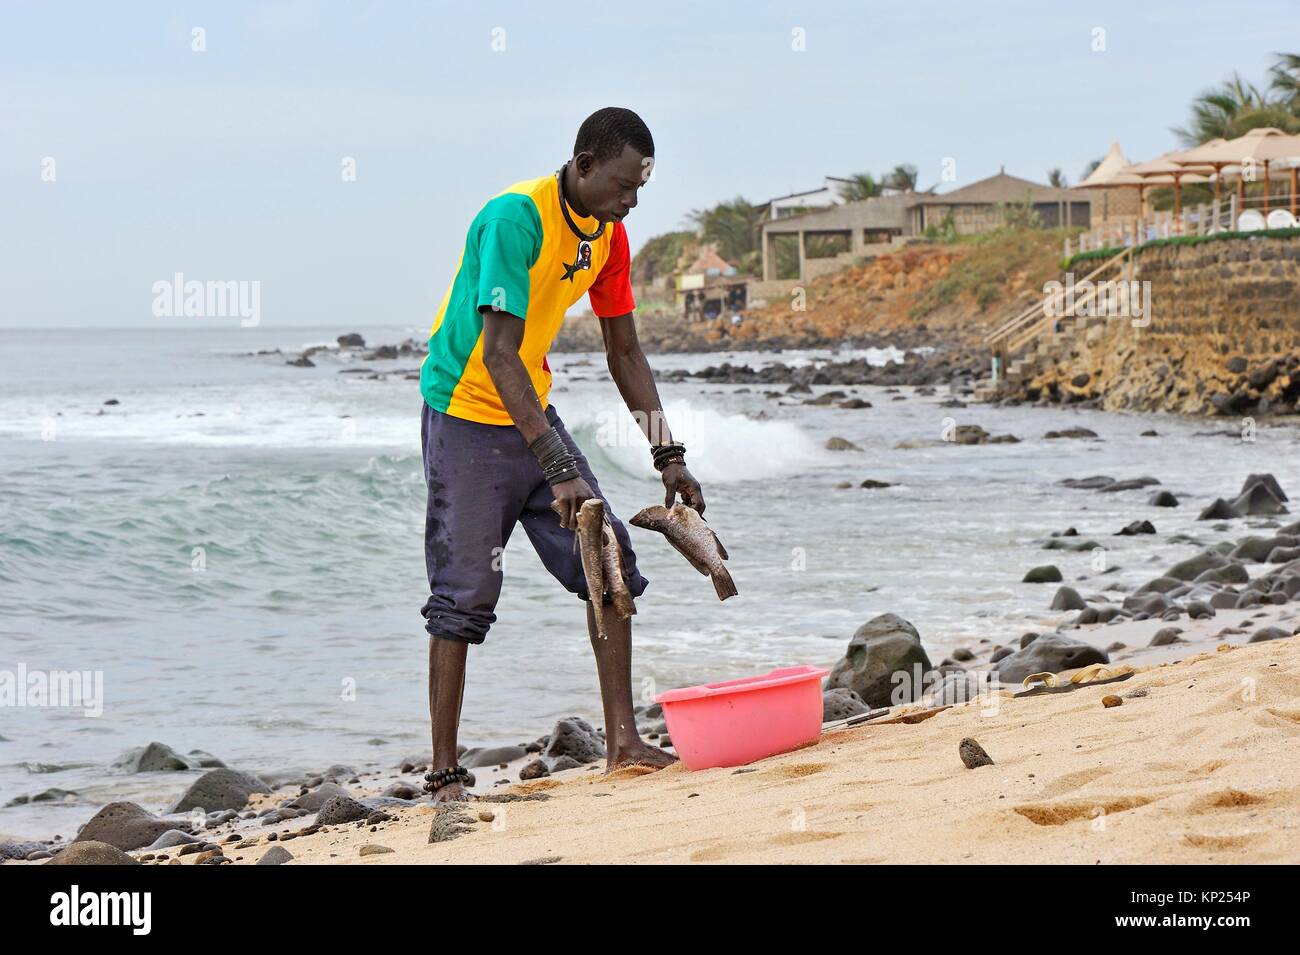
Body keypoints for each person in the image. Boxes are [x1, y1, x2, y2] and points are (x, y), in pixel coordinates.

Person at [417, 107, 706, 803]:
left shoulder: (608, 238)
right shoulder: (514, 221)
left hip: (528, 410)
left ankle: (622, 740)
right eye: (621, 185)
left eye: (640, 188)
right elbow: (495, 354)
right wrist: (557, 466)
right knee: (465, 596)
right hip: (464, 416)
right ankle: (445, 771)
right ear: (581, 165)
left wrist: (667, 450)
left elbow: (625, 350)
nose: (630, 201)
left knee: (608, 564)